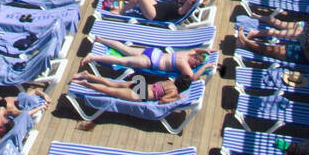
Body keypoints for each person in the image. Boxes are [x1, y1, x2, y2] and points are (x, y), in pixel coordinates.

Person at [81, 41, 211, 81]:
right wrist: (205, 67)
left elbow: (195, 49)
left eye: (197, 65)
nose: (194, 65)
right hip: (150, 61)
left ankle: (101, 39)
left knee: (125, 49)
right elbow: (193, 77)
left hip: (153, 52)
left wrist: (207, 51)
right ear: (194, 58)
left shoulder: (187, 54)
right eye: (196, 63)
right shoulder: (184, 65)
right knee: (121, 61)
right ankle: (92, 57)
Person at [73, 69, 191, 104]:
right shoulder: (174, 91)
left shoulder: (170, 81)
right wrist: (177, 98)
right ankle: (86, 84)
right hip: (142, 94)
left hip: (141, 85)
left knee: (112, 83)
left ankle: (87, 75)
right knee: (110, 91)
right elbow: (163, 100)